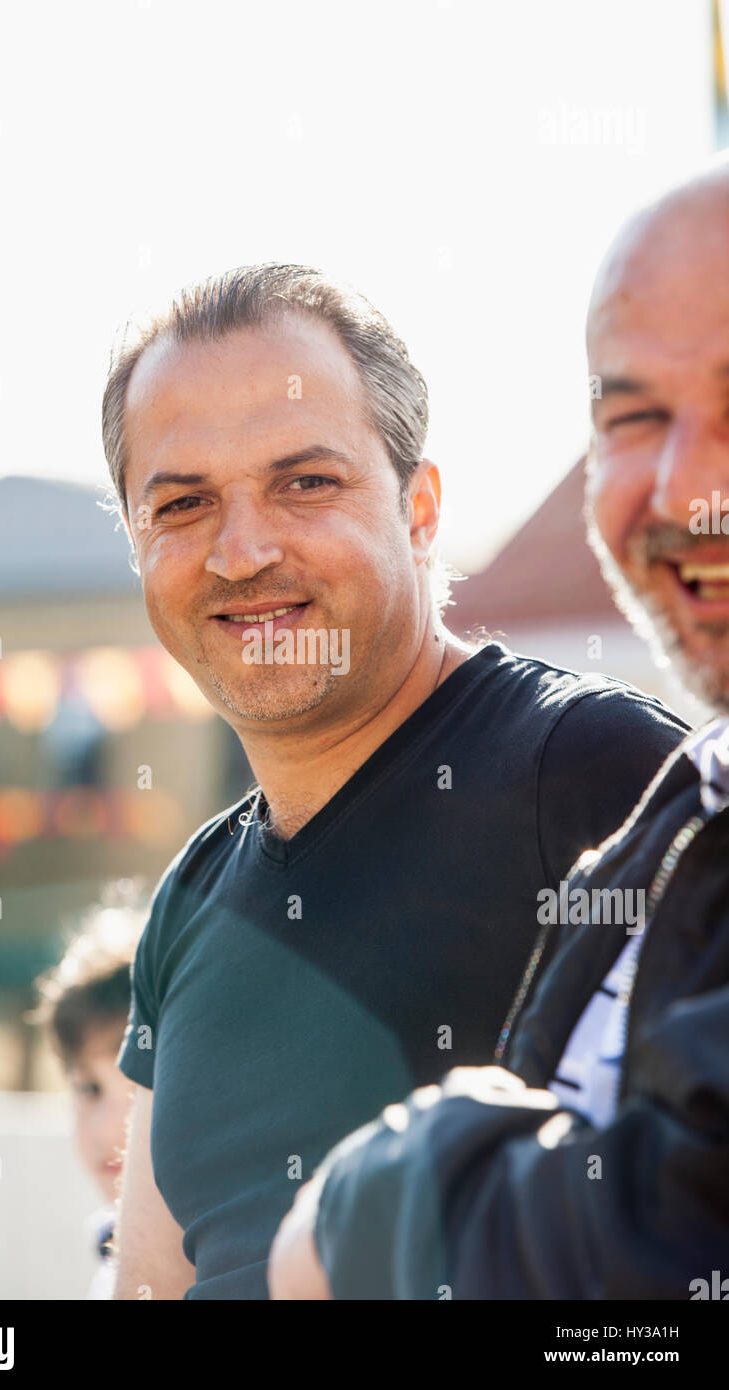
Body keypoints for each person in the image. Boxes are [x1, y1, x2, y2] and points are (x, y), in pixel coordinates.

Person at [106, 265, 688, 1300]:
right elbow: (148, 1286)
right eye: (184, 503)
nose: (242, 552)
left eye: (305, 483)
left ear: (418, 508)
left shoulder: (601, 778)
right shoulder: (191, 899)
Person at [268, 162, 729, 1300]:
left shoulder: (584, 754)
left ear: (416, 509)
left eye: (307, 484)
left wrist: (377, 1195)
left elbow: (680, 1238)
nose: (682, 487)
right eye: (633, 417)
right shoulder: (679, 804)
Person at [32, 881, 145, 1299]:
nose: (112, 1128)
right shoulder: (111, 1251)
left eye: (140, 1092)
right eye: (89, 1088)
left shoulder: (207, 1266)